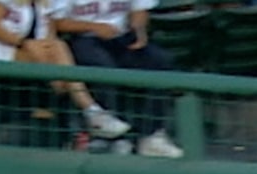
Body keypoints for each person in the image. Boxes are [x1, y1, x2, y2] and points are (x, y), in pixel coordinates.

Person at [0, 0, 132, 141]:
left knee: (58, 48)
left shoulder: (44, 4)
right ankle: (92, 111)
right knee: (60, 65)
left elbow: (49, 35)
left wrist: (41, 48)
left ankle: (88, 113)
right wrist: (25, 43)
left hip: (32, 51)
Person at [52, 0, 185, 157]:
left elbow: (140, 9)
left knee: (158, 61)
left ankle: (151, 136)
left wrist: (138, 28)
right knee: (101, 65)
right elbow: (55, 23)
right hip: (83, 38)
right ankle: (111, 136)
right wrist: (94, 27)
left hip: (121, 37)